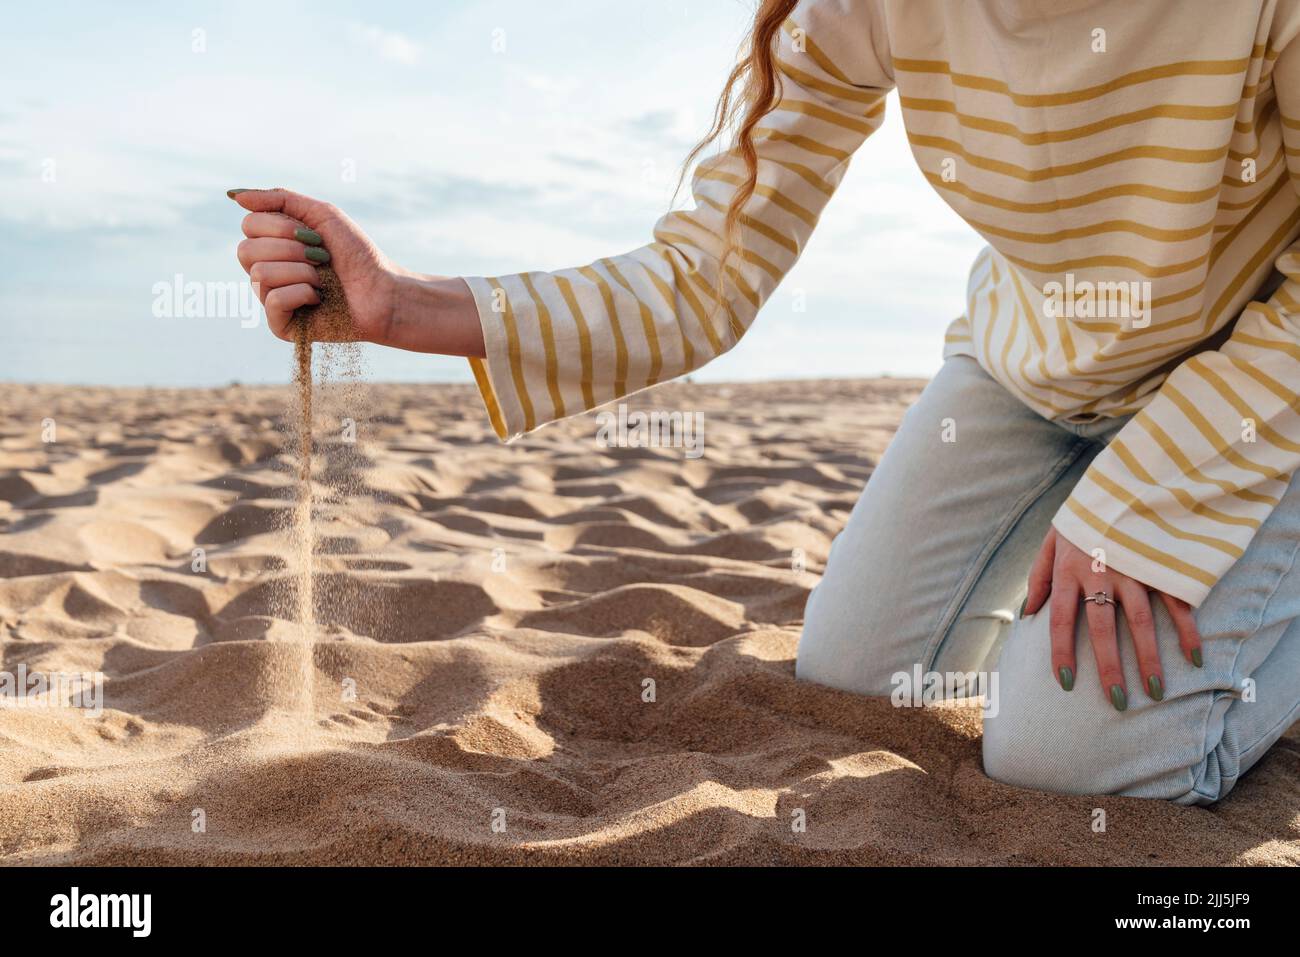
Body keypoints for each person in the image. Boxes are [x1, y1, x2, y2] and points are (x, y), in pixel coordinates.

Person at [229, 0, 1300, 804]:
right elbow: (705, 277)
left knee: (1068, 765)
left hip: (1255, 385)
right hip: (1030, 367)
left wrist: (1144, 502)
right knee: (853, 680)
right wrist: (398, 307)